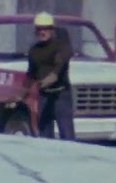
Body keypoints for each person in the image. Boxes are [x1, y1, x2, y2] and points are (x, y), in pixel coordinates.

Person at [21, 11, 76, 141]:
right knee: (45, 137)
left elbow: (59, 67)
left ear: (52, 29)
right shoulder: (34, 50)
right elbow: (31, 74)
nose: (42, 32)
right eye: (39, 29)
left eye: (45, 28)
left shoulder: (61, 46)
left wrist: (47, 81)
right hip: (44, 97)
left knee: (67, 136)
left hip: (61, 96)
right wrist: (23, 93)